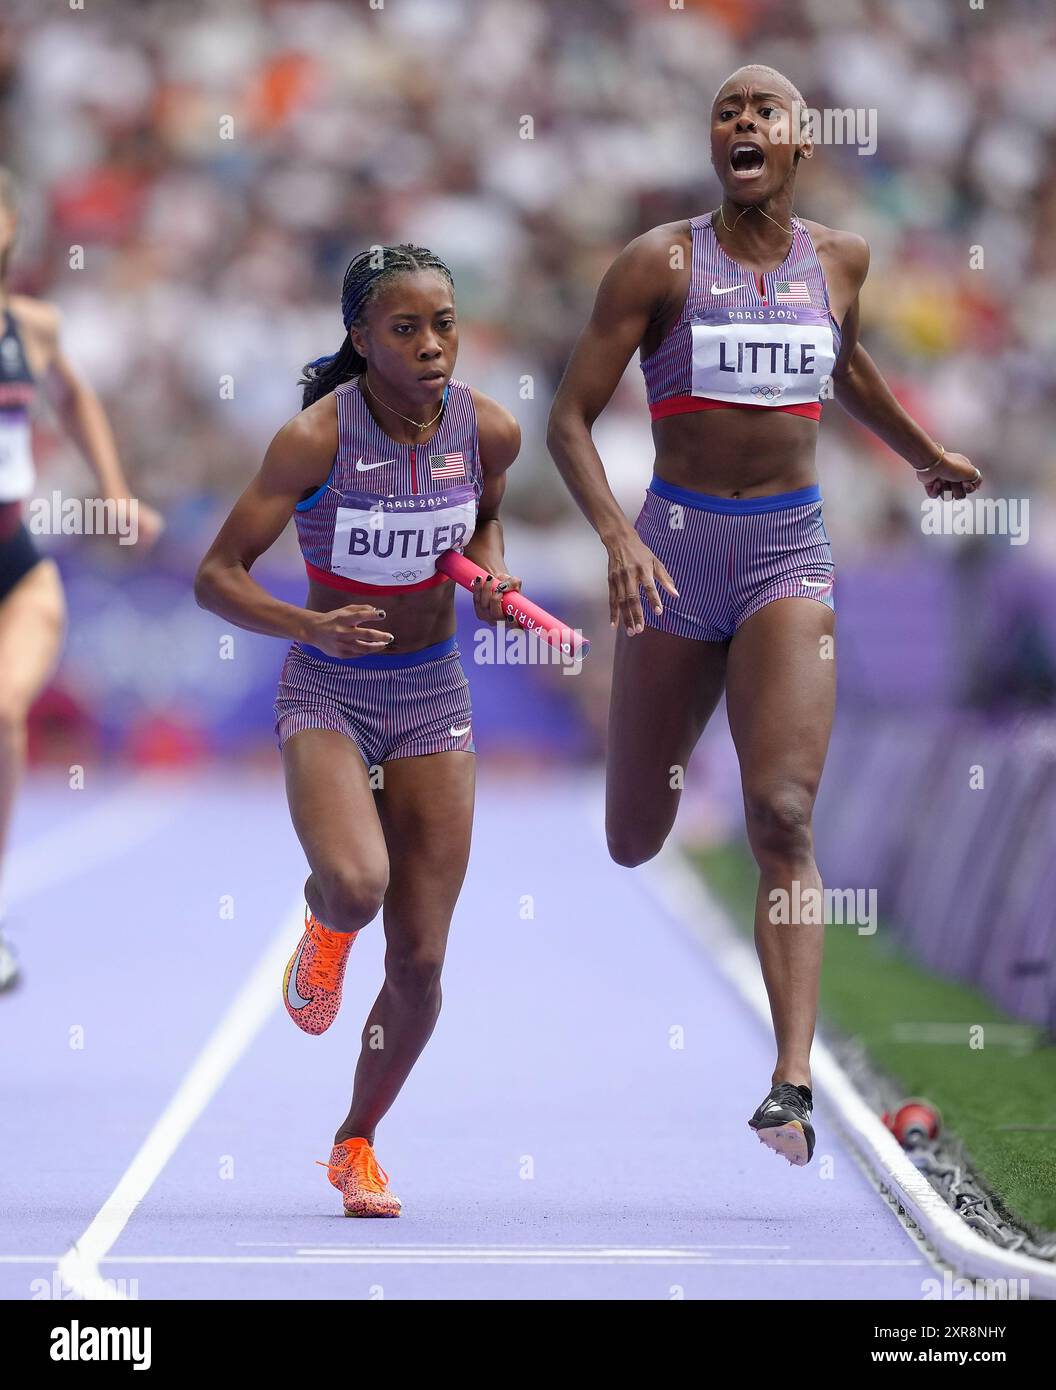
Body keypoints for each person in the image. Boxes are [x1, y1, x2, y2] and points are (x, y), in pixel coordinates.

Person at [546, 67, 982, 1167]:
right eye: (726, 113)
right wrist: (619, 536)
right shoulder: (660, 263)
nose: (743, 123)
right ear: (716, 148)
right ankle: (652, 775)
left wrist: (925, 455)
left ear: (798, 146)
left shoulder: (840, 260)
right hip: (676, 558)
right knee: (634, 834)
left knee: (783, 812)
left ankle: (790, 1082)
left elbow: (845, 363)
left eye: (764, 113)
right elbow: (566, 421)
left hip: (790, 551)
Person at [195, 244, 521, 1215]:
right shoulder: (312, 439)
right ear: (362, 338)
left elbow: (483, 526)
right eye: (406, 328)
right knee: (356, 881)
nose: (431, 345)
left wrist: (489, 575)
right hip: (331, 687)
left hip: (432, 694)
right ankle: (325, 926)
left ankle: (355, 1142)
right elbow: (216, 576)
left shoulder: (489, 430)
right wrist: (311, 623)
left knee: (421, 960)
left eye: (444, 324)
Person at [0, 167, 163, 990]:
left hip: (15, 566)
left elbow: (77, 400)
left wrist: (116, 491)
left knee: (2, 712)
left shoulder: (33, 325)